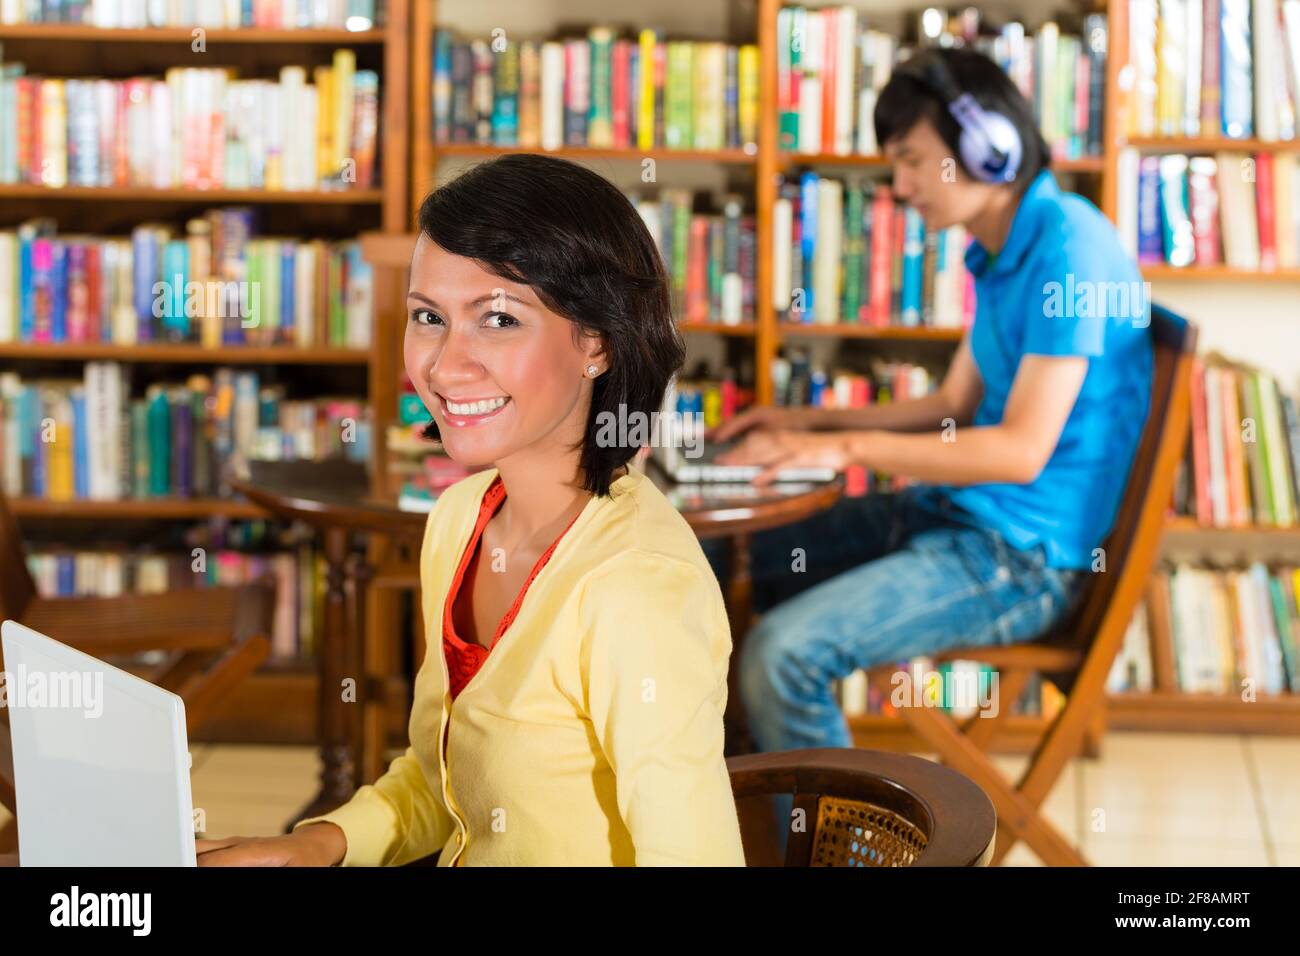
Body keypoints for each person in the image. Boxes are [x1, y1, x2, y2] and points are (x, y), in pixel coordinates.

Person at [196, 154, 745, 866]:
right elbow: (441, 778)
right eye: (429, 317)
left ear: (597, 342)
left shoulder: (637, 589)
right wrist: (318, 845)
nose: (446, 365)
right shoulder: (459, 520)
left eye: (497, 320)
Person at [704, 47, 1153, 759]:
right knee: (704, 562)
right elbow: (950, 401)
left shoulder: (1073, 249)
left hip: (1024, 562)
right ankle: (744, 810)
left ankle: (830, 844)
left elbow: (1017, 450)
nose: (901, 186)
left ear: (989, 144)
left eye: (913, 159)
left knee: (781, 656)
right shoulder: (1000, 248)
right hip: (958, 519)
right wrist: (809, 420)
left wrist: (845, 449)